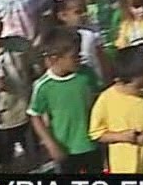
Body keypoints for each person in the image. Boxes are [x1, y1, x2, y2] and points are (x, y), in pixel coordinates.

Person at [88, 46, 143, 174]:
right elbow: (96, 134)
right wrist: (122, 136)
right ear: (120, 81)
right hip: (123, 167)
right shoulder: (107, 99)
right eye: (140, 86)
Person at [29, 26, 101, 174]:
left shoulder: (87, 74)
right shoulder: (43, 86)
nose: (80, 58)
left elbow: (99, 99)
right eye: (74, 55)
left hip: (93, 144)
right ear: (55, 58)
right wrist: (51, 144)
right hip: (66, 149)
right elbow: (35, 115)